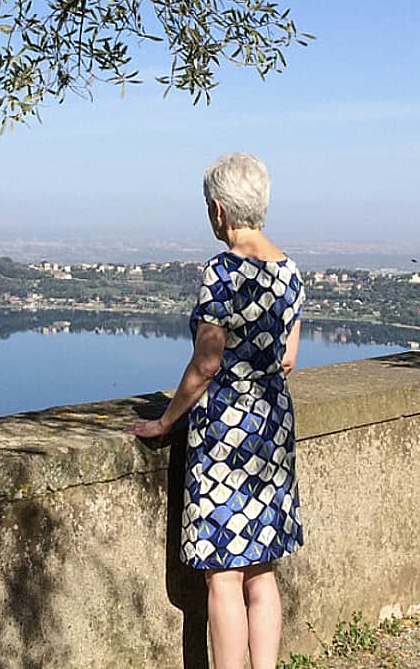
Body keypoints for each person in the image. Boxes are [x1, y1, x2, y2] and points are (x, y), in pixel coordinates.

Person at [126, 153, 306, 669]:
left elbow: (206, 363)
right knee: (262, 571)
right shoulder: (289, 271)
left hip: (225, 431)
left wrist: (165, 421)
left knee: (223, 574)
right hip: (271, 428)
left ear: (220, 210)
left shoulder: (223, 272)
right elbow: (288, 358)